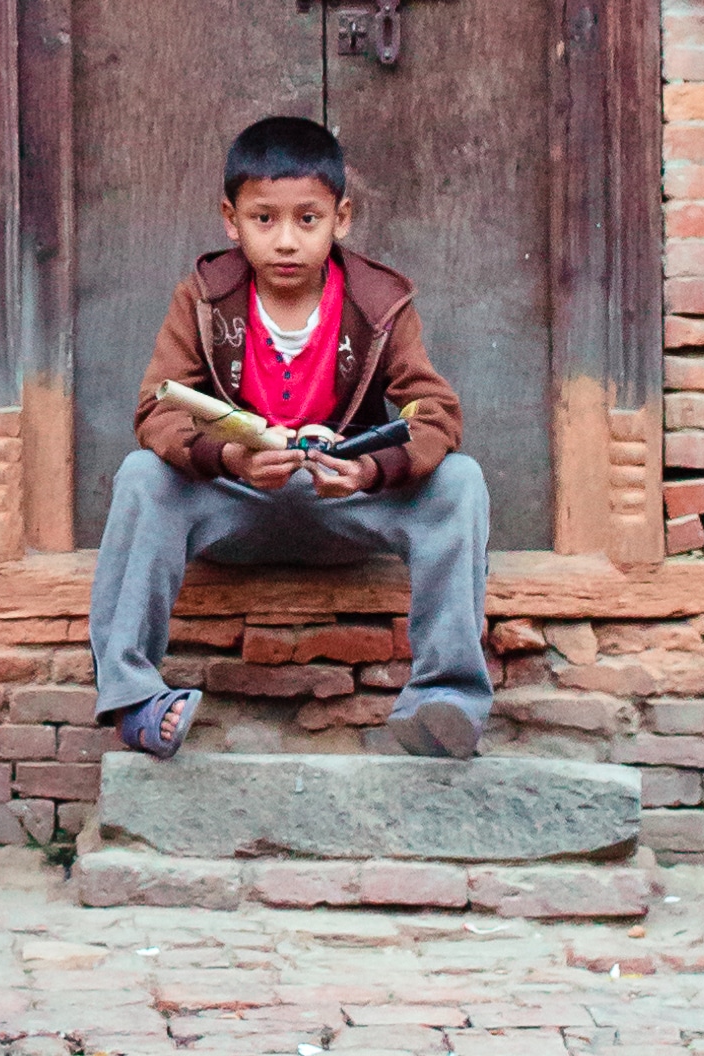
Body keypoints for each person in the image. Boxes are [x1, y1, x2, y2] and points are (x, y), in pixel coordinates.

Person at [89, 114, 492, 761]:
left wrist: (371, 469)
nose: (285, 241)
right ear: (231, 219)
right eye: (263, 219)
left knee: (460, 480)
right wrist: (230, 458)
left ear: (342, 217)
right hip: (237, 503)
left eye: (307, 219)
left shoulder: (378, 302)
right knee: (142, 474)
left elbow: (432, 408)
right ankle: (134, 699)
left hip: (343, 504)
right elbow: (156, 411)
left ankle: (444, 698)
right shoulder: (203, 297)